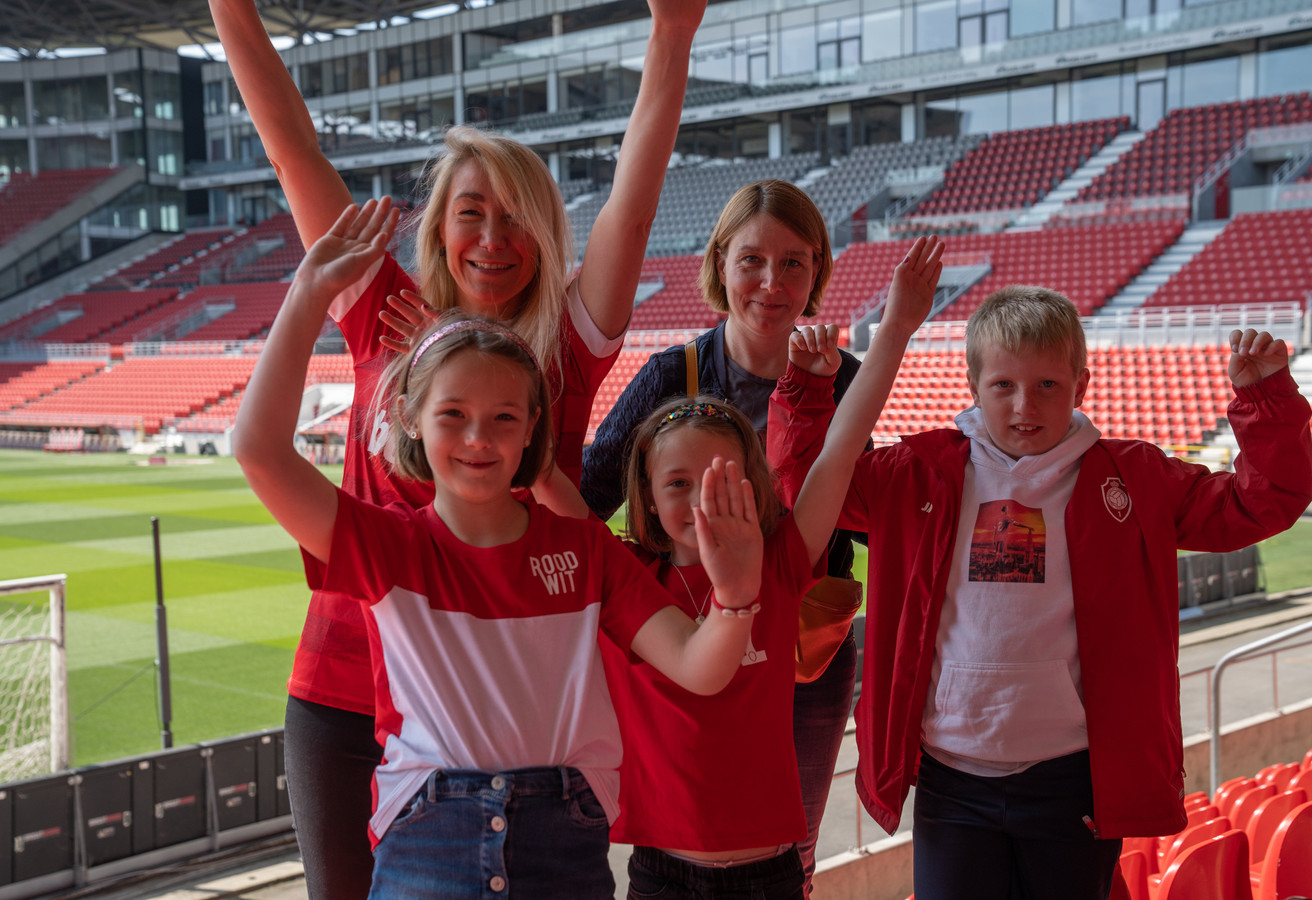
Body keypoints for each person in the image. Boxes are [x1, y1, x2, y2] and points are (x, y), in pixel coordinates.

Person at [206, 1, 704, 893]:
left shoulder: (564, 347)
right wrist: (228, 10)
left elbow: (631, 213)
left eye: (517, 217)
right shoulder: (380, 306)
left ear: (545, 235)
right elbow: (292, 150)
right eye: (471, 212)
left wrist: (671, 33)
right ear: (438, 226)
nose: (492, 238)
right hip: (342, 687)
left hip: (492, 723)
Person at [232, 200, 764, 900]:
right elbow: (259, 450)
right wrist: (305, 297)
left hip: (563, 850)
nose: (479, 438)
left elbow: (699, 668)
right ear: (412, 423)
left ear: (531, 431)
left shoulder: (584, 552)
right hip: (428, 846)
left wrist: (734, 597)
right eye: (453, 415)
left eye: (503, 418)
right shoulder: (387, 544)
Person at [768, 284, 1312, 899]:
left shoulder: (1132, 477)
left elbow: (1260, 502)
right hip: (951, 777)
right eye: (1003, 386)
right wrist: (809, 392)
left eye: (1047, 386)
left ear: (1080, 387)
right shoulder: (918, 473)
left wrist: (1266, 397)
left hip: (1073, 779)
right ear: (973, 387)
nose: (1024, 405)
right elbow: (806, 489)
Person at [541, 236, 942, 898]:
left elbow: (840, 449)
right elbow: (542, 482)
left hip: (773, 877)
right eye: (677, 483)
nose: (703, 498)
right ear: (644, 496)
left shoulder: (782, 560)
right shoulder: (624, 576)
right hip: (658, 875)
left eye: (721, 477)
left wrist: (895, 328)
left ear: (755, 486)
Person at [580, 179, 864, 889]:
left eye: (794, 262)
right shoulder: (667, 375)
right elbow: (589, 498)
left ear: (818, 271)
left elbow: (861, 512)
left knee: (787, 853)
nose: (772, 283)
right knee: (682, 839)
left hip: (803, 649)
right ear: (720, 263)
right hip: (684, 637)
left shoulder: (846, 378)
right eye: (752, 260)